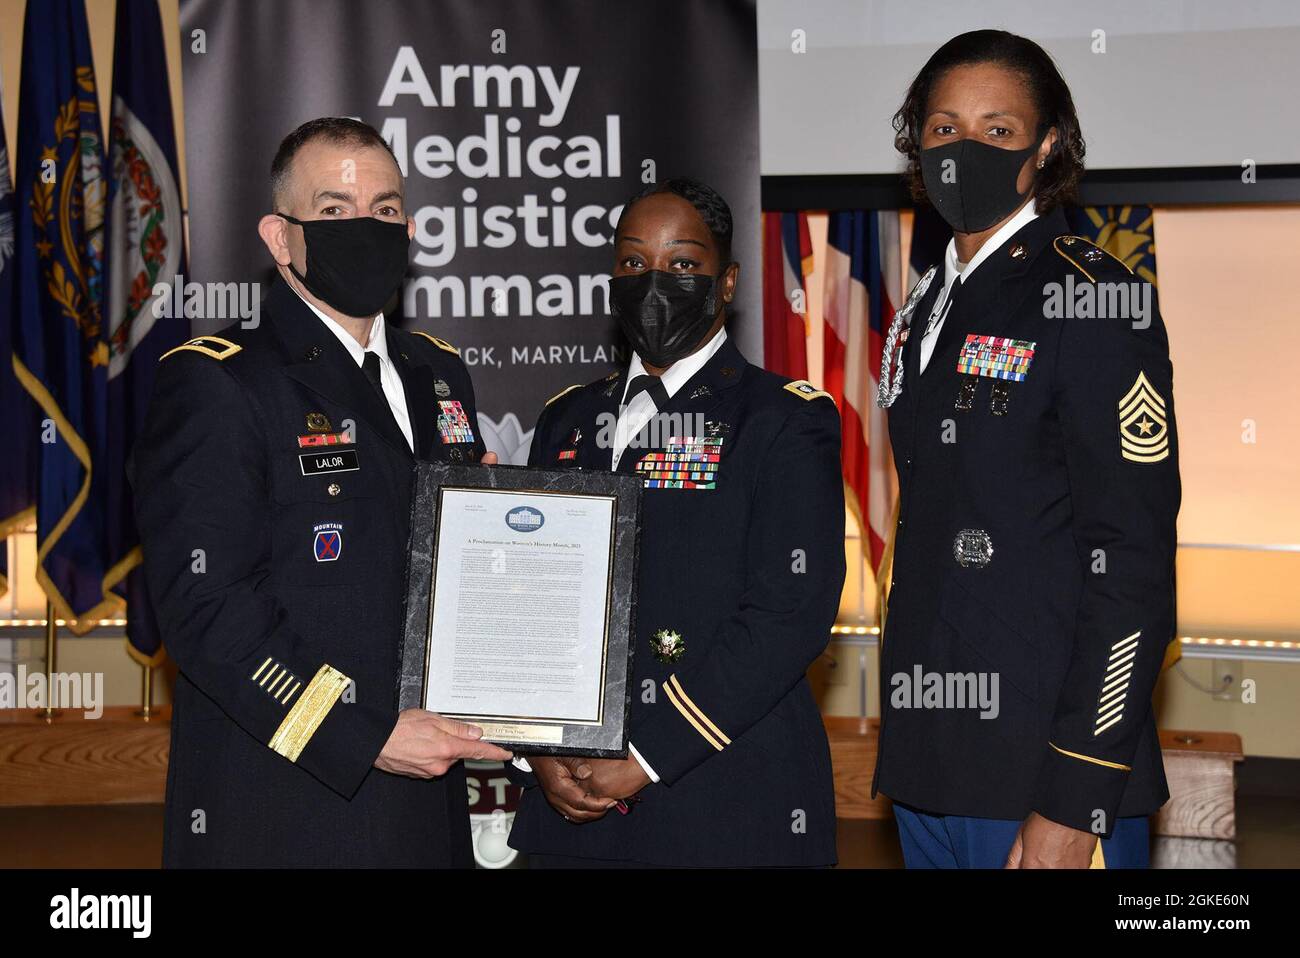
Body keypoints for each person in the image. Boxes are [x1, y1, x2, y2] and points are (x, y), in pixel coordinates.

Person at [131, 117, 511, 867]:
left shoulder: (439, 374)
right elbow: (207, 609)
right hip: (285, 807)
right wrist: (358, 733)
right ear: (281, 238)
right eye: (334, 211)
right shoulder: (219, 380)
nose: (364, 227)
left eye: (386, 209)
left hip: (428, 807)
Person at [873, 30, 1180, 868]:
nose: (963, 148)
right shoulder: (928, 301)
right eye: (943, 128)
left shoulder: (1094, 299)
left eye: (997, 130)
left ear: (1046, 146)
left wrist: (1077, 792)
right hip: (930, 762)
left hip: (1046, 776)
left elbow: (1134, 568)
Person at [505, 178, 845, 868]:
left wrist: (647, 753)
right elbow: (530, 606)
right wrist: (536, 747)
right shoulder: (567, 418)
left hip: (723, 801)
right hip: (571, 812)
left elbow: (791, 612)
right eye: (632, 263)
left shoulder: (782, 419)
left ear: (726, 283)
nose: (654, 280)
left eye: (683, 263)